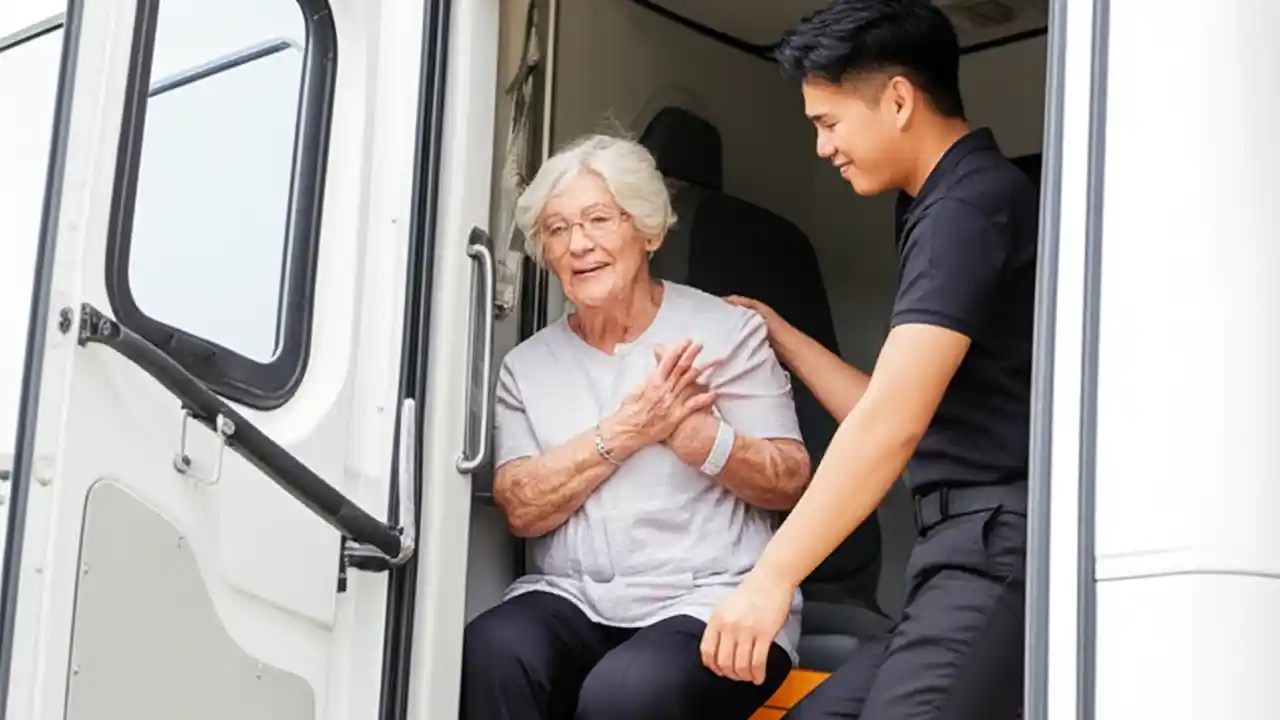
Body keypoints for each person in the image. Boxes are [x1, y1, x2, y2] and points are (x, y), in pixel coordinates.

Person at [698, 1, 1038, 718]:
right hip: (952, 558)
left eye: (828, 124)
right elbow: (889, 406)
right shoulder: (946, 204)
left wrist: (771, 579)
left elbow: (890, 424)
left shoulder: (967, 208)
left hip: (992, 555)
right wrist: (782, 335)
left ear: (899, 99)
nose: (823, 148)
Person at [460, 134, 813, 720]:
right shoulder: (527, 367)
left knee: (626, 693)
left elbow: (790, 479)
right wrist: (629, 430)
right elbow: (521, 507)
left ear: (648, 231)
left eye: (599, 219)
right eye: (556, 229)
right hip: (572, 597)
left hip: (712, 601)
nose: (579, 244)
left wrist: (704, 441)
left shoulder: (726, 332)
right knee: (493, 652)